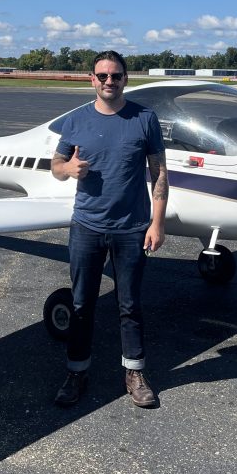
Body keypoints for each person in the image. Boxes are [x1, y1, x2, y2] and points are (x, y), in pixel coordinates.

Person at [51, 50, 168, 408]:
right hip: (86, 224)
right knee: (82, 303)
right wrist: (67, 169)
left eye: (115, 76)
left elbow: (159, 172)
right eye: (102, 76)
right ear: (92, 79)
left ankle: (134, 372)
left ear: (125, 80)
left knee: (129, 304)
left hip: (131, 228)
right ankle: (76, 371)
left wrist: (157, 222)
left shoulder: (144, 119)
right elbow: (56, 164)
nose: (108, 81)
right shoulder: (75, 121)